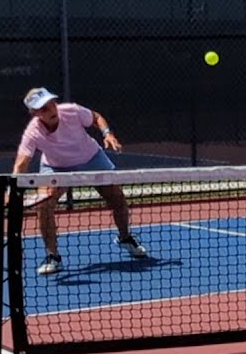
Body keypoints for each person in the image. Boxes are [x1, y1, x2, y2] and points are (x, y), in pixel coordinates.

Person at [13, 88, 147, 276]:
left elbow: (96, 118)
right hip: (56, 166)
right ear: (34, 113)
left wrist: (107, 134)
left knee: (116, 198)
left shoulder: (72, 111)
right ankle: (53, 256)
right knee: (43, 205)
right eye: (43, 109)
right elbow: (22, 162)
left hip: (91, 157)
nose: (50, 110)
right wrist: (12, 188)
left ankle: (125, 238)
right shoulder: (32, 132)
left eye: (51, 104)